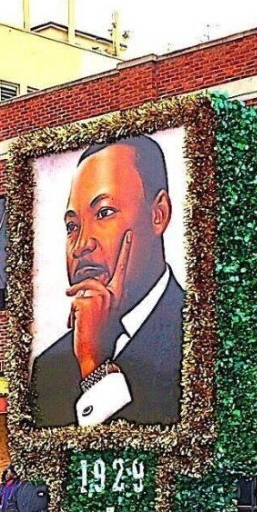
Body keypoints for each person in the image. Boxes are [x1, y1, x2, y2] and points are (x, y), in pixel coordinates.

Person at [32, 135, 184, 428]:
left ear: (158, 214)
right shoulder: (49, 366)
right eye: (72, 227)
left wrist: (94, 368)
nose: (81, 246)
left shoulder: (201, 335)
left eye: (104, 213)